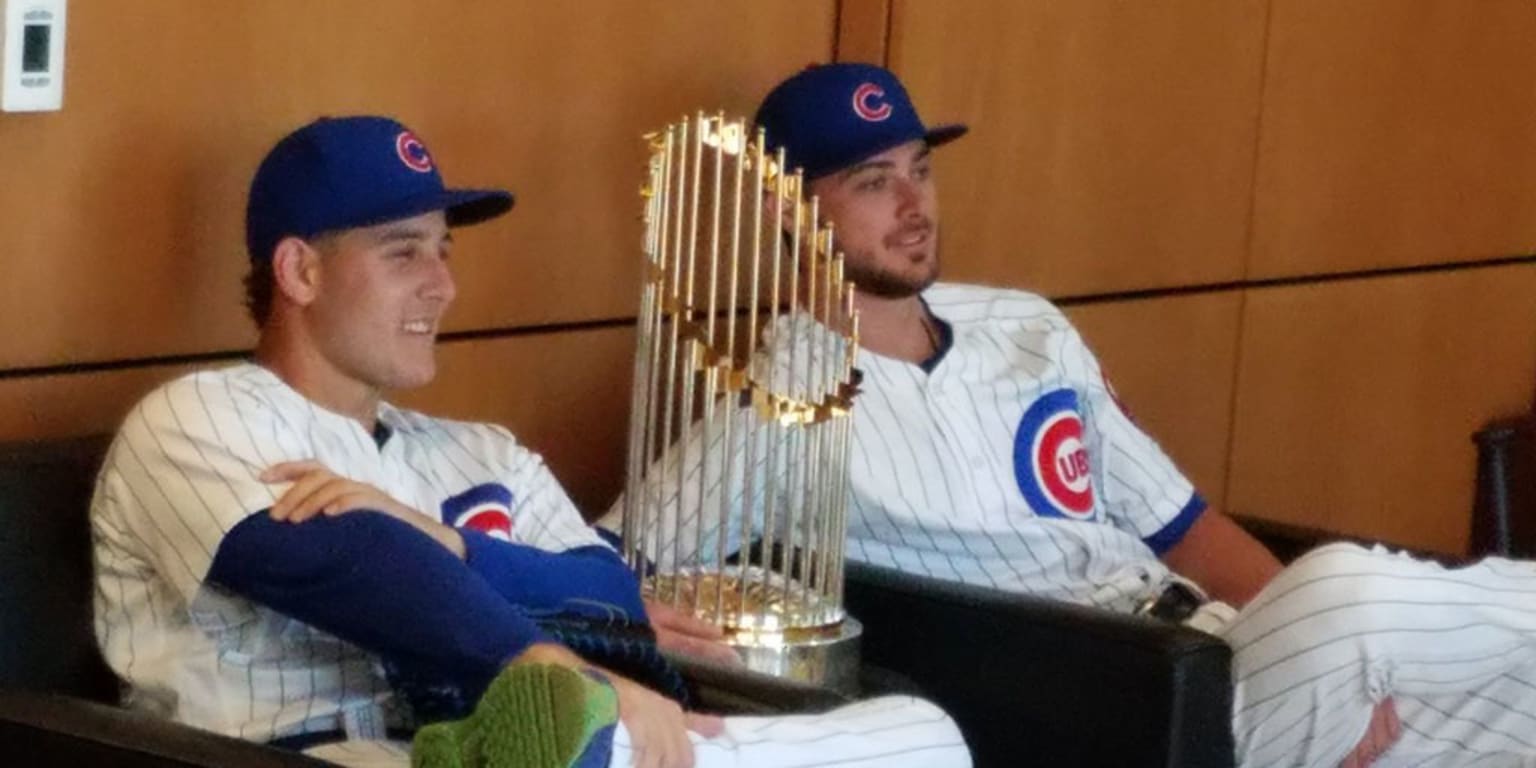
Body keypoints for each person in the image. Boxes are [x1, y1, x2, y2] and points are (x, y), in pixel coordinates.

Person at [618, 63, 1536, 768]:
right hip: (1120, 706)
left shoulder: (1028, 327)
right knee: (1345, 589)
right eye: (871, 183)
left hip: (1234, 654)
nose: (914, 206)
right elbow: (603, 569)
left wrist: (1330, 663)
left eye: (921, 170)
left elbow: (1189, 530)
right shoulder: (775, 408)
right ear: (790, 208)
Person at [89, 114, 971, 768]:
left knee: (923, 735)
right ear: (300, 271)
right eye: (404, 254)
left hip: (544, 732)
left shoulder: (482, 453)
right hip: (304, 754)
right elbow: (353, 571)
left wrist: (450, 542)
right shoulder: (200, 415)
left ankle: (560, 743)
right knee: (573, 727)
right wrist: (547, 656)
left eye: (444, 251)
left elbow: (608, 593)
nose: (444, 286)